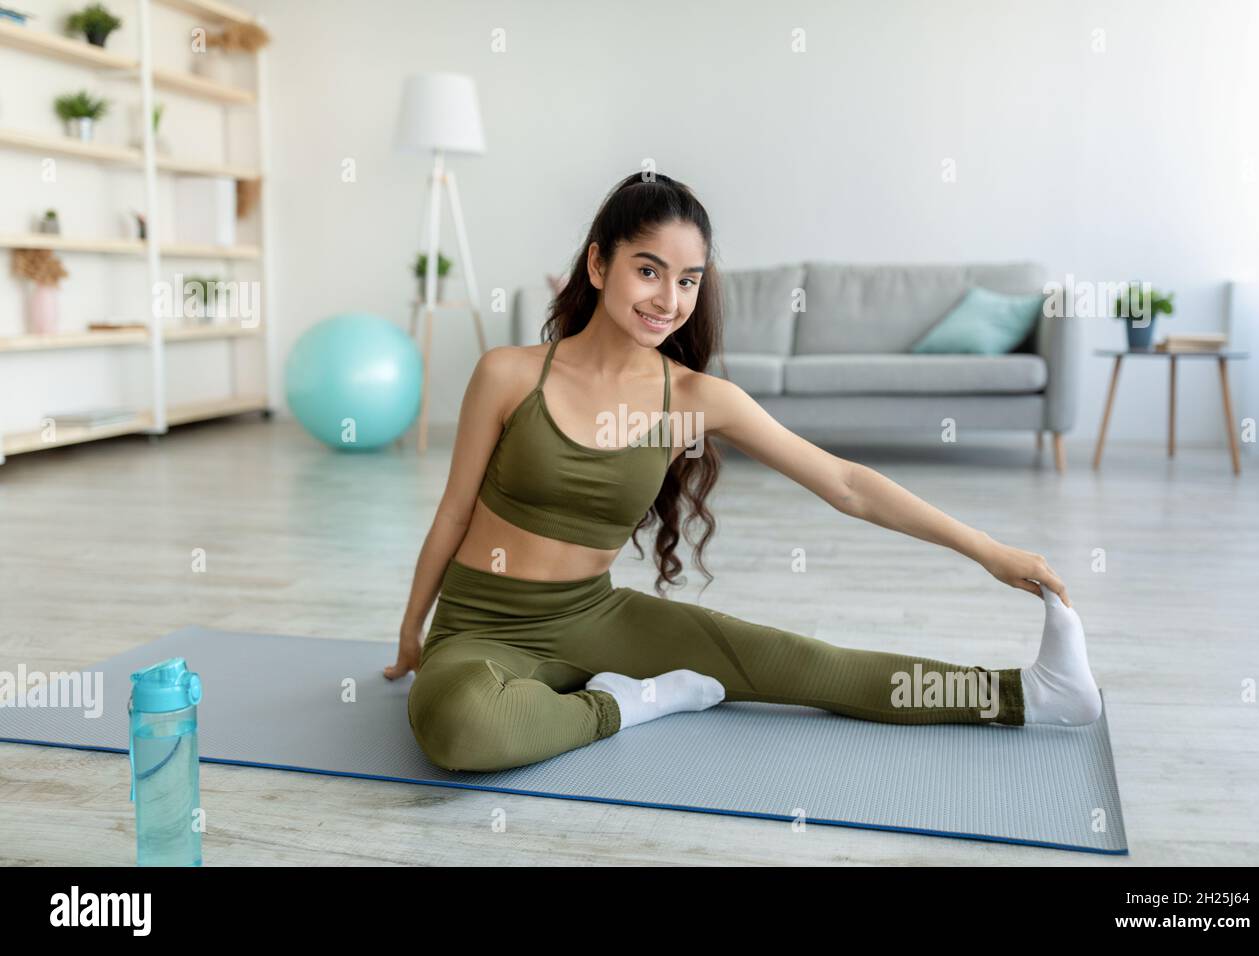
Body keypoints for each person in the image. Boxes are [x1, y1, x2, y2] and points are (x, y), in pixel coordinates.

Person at [384, 171, 1101, 773]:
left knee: (802, 664)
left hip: (593, 617)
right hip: (481, 626)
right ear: (598, 265)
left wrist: (988, 551)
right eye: (648, 270)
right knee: (463, 730)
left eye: (688, 280)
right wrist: (414, 631)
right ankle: (628, 703)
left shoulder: (696, 400)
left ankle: (1030, 695)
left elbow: (846, 483)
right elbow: (452, 513)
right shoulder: (508, 375)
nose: (669, 299)